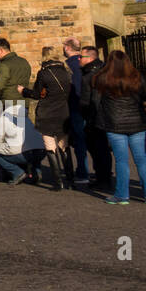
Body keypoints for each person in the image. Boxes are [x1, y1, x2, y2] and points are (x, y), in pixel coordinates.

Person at [90, 50, 146, 205]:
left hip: (114, 123)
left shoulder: (102, 78)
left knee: (121, 160)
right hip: (136, 121)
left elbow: (95, 101)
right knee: (142, 159)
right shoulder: (136, 76)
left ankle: (122, 194)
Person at [19, 48, 74, 189]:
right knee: (64, 146)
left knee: (51, 148)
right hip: (63, 112)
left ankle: (58, 182)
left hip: (47, 113)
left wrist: (23, 91)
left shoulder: (44, 73)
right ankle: (70, 180)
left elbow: (36, 94)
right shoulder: (66, 72)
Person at [78, 45, 114, 189]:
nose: (79, 59)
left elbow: (89, 100)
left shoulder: (90, 75)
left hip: (95, 117)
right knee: (102, 149)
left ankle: (103, 178)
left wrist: (85, 113)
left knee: (99, 149)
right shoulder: (103, 70)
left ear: (90, 58)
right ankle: (103, 176)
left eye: (82, 57)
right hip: (102, 115)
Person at [0, 101, 46, 185]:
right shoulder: (27, 118)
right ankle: (36, 172)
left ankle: (17, 172)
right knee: (33, 149)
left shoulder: (3, 119)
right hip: (41, 151)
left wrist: (0, 147)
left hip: (23, 153)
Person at [64, 37, 89, 183]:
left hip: (75, 106)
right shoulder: (85, 62)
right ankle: (100, 172)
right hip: (88, 106)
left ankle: (82, 172)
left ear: (67, 48)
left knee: (79, 141)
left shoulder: (70, 65)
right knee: (91, 141)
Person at [0, 38, 31, 111]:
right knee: (21, 122)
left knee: (9, 122)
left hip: (10, 104)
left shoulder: (4, 65)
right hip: (24, 102)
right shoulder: (24, 61)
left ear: (1, 50)